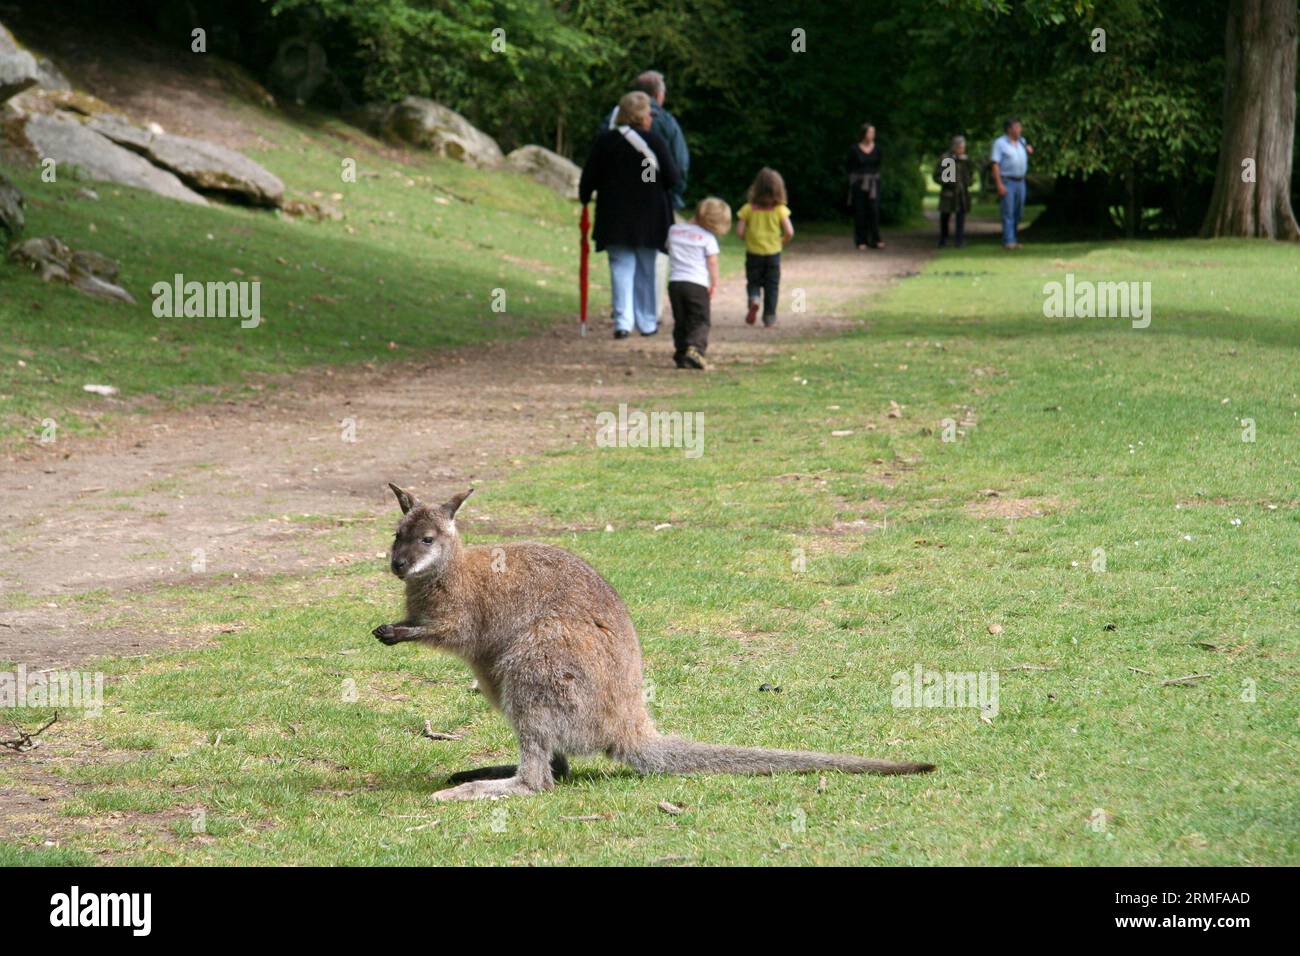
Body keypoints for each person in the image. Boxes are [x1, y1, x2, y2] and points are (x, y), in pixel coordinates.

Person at [579, 91, 679, 338]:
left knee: (620, 267)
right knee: (646, 268)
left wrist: (585, 197)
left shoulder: (606, 142)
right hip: (650, 216)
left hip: (615, 216)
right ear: (643, 116)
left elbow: (589, 177)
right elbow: (673, 177)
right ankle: (646, 322)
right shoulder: (655, 142)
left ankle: (623, 322)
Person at [598, 71, 691, 321]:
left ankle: (623, 315)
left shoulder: (612, 121)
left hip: (616, 205)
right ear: (659, 95)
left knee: (622, 261)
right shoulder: (666, 124)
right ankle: (650, 314)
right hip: (654, 204)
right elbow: (679, 165)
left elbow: (598, 161)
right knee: (653, 261)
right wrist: (672, 193)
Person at [667, 197, 731, 369]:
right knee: (700, 319)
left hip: (675, 283)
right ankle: (695, 349)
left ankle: (681, 353)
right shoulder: (708, 238)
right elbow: (712, 262)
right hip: (696, 284)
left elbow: (668, 248)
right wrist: (715, 282)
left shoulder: (674, 230)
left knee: (681, 320)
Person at [736, 168, 793, 327]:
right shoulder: (780, 210)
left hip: (753, 253)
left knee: (753, 281)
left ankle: (754, 298)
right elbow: (789, 231)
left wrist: (747, 239)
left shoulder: (747, 209)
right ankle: (769, 316)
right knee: (771, 285)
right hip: (773, 254)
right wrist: (782, 241)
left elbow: (740, 231)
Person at [990, 117, 1034, 249]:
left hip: (1021, 181)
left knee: (1018, 212)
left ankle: (1013, 238)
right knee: (1008, 212)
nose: (1020, 130)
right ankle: (1009, 241)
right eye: (1017, 127)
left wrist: (1029, 152)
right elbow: (995, 164)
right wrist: (999, 184)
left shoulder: (1022, 141)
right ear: (1009, 129)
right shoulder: (1000, 143)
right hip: (1007, 180)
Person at [846, 123, 884, 250]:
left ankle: (876, 239)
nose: (872, 135)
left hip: (873, 183)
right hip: (858, 183)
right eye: (869, 132)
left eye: (873, 133)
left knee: (874, 210)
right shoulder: (854, 149)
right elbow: (849, 166)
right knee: (860, 211)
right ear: (864, 134)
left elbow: (879, 165)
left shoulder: (877, 149)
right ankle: (861, 240)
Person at [933, 135, 973, 247]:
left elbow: (970, 174)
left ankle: (959, 240)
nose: (962, 150)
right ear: (954, 147)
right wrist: (947, 181)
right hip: (949, 193)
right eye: (960, 147)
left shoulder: (966, 160)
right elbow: (937, 176)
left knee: (961, 216)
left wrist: (969, 180)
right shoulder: (947, 159)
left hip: (962, 193)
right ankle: (943, 239)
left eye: (963, 147)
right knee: (945, 216)